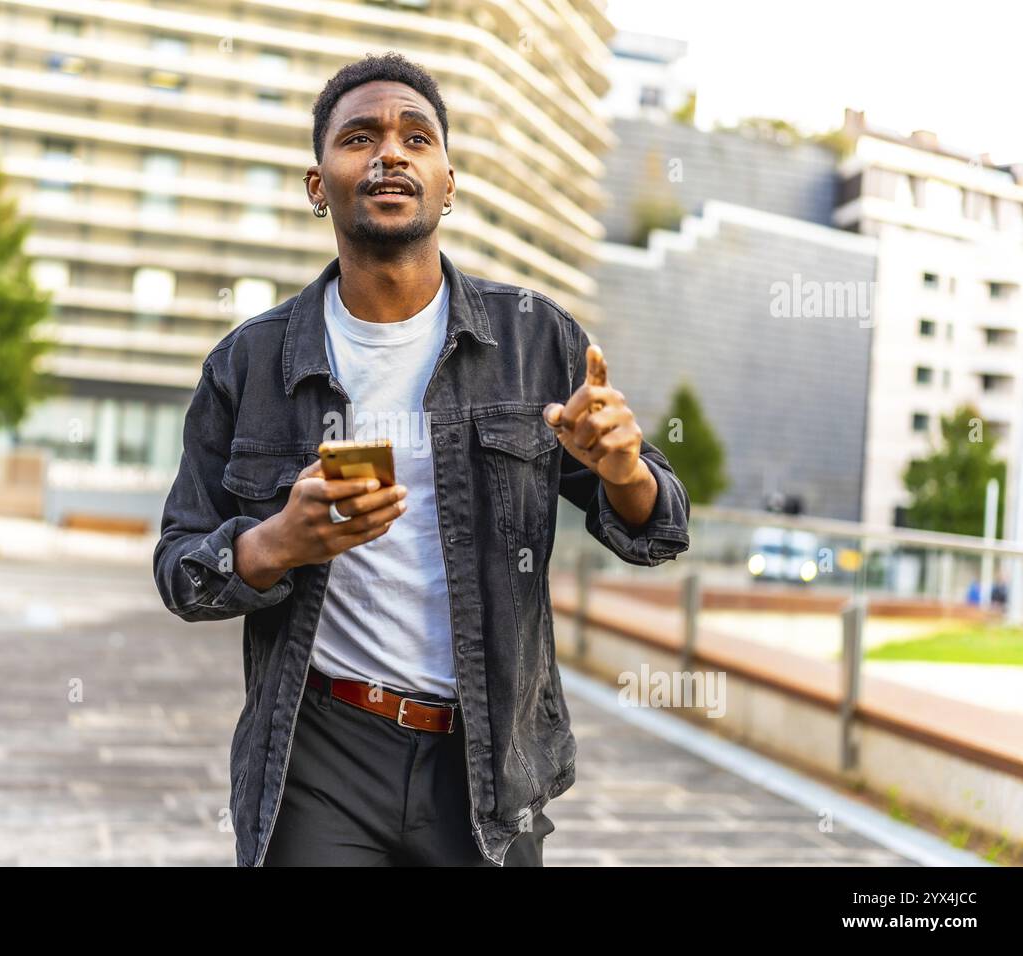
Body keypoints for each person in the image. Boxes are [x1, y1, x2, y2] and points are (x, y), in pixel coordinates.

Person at [153, 52, 691, 867]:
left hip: (487, 768)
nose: (389, 153)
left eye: (416, 136)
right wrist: (276, 545)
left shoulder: (536, 342)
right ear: (316, 184)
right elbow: (179, 568)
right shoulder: (247, 364)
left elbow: (660, 530)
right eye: (358, 136)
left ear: (448, 182)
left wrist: (624, 470)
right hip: (318, 757)